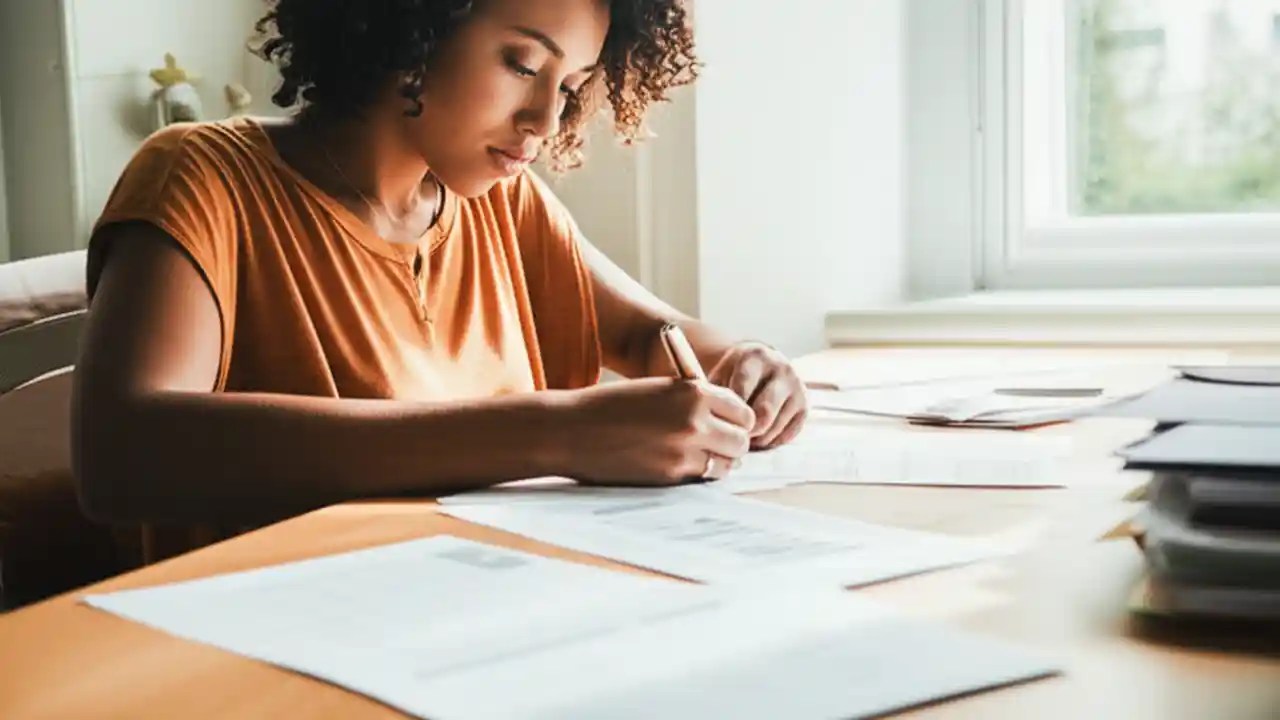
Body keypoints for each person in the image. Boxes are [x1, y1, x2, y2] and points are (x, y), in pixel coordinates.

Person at [71, 0, 808, 534]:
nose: (547, 121)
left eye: (574, 85)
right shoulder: (202, 178)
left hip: (481, 618)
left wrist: (745, 366)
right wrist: (553, 433)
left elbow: (655, 338)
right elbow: (124, 452)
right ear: (412, 25)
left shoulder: (501, 204)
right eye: (522, 63)